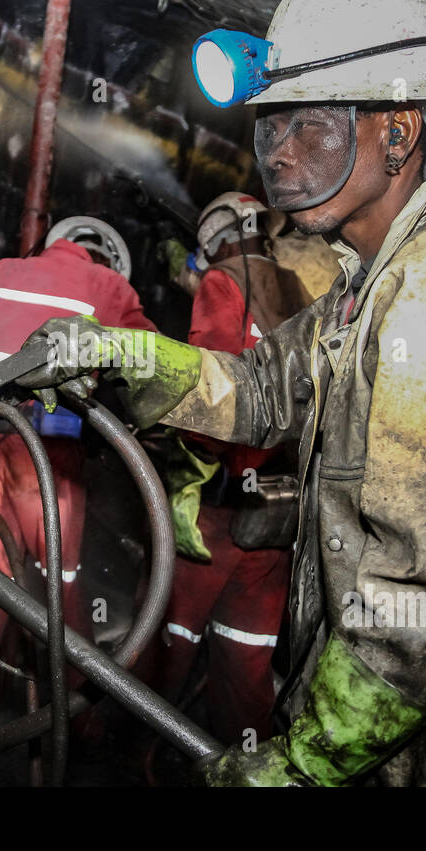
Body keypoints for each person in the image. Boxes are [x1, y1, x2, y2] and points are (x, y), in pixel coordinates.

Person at [15, 0, 426, 786]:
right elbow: (264, 388)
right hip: (420, 741)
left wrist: (306, 764)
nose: (277, 149)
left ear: (398, 131)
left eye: (309, 123)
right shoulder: (376, 283)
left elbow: (419, 604)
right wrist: (124, 355)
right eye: (270, 122)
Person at [0, 216, 157, 762]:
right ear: (104, 258)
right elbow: (151, 364)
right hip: (55, 458)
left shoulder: (4, 270)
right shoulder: (110, 288)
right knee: (62, 596)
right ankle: (76, 736)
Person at [145, 192, 312, 745]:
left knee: (169, 637)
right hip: (282, 506)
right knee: (247, 652)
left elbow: (208, 395)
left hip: (217, 507)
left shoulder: (222, 282)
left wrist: (175, 448)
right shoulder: (300, 290)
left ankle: (139, 750)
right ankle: (246, 765)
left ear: (214, 240)